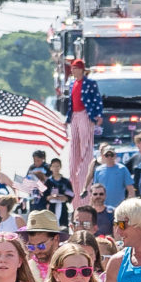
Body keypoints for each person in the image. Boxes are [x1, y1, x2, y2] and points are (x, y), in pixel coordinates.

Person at [60, 58, 103, 196]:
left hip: (86, 114)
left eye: (75, 68)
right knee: (75, 143)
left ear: (81, 70)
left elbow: (97, 99)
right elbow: (71, 103)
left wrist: (98, 115)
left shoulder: (89, 83)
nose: (72, 70)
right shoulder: (73, 84)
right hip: (75, 115)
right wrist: (67, 119)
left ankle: (85, 169)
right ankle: (75, 171)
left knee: (86, 143)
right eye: (72, 68)